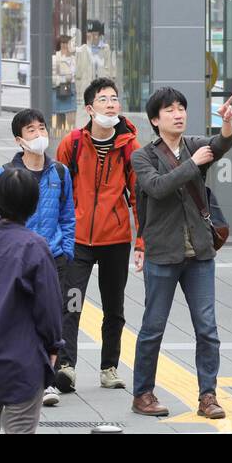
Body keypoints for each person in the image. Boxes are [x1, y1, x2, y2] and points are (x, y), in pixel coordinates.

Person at [130, 87, 232, 419]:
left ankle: (208, 396)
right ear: (155, 119)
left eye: (181, 108)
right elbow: (157, 188)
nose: (178, 114)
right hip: (162, 253)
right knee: (152, 327)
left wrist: (227, 125)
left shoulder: (194, 144)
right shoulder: (143, 156)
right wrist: (193, 164)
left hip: (200, 253)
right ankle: (143, 393)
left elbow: (221, 145)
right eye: (169, 109)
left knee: (208, 328)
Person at [0, 168, 65, 434]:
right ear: (33, 204)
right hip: (22, 360)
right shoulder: (34, 247)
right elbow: (49, 306)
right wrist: (54, 345)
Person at [54, 78, 140, 396]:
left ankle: (109, 368)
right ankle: (66, 366)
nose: (111, 104)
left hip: (115, 241)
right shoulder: (72, 144)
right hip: (78, 242)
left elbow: (137, 197)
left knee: (113, 308)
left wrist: (140, 241)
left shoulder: (130, 146)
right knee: (72, 304)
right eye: (104, 99)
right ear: (90, 109)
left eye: (114, 99)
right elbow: (58, 193)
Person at [0, 108, 76, 408]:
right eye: (31, 131)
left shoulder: (60, 173)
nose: (39, 135)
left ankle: (46, 382)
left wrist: (67, 249)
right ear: (19, 140)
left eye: (42, 128)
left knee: (49, 320)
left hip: (53, 257)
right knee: (19, 319)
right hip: (15, 259)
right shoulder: (4, 174)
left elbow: (68, 216)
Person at [73, 20, 115, 128]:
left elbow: (110, 70)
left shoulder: (105, 49)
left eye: (95, 34)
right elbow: (77, 74)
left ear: (99, 35)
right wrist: (78, 92)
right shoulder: (82, 50)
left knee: (101, 113)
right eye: (89, 34)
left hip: (101, 87)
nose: (92, 37)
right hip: (85, 88)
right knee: (84, 116)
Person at [50, 34, 77, 135]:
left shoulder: (75, 60)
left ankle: (71, 140)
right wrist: (64, 79)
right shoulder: (54, 59)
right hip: (59, 92)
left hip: (72, 91)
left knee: (72, 121)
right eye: (63, 44)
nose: (65, 46)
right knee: (58, 121)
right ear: (60, 45)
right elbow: (51, 79)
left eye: (68, 44)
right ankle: (58, 141)